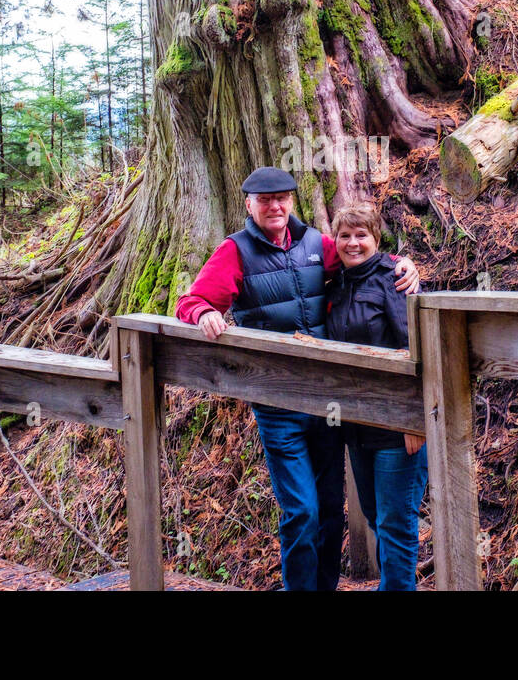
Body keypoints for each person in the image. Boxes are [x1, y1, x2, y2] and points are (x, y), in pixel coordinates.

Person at [174, 166, 419, 590]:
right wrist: (205, 312)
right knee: (301, 511)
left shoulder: (312, 243)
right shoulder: (235, 251)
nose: (275, 206)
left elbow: (361, 256)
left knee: (328, 507)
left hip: (326, 405)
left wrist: (405, 264)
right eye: (265, 200)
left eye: (282, 198)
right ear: (248, 204)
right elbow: (191, 300)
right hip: (277, 403)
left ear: (292, 202)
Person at [325, 199, 429, 590]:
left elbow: (416, 352)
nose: (353, 243)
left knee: (395, 523)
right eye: (345, 236)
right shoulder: (336, 285)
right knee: (374, 516)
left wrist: (415, 418)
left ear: (376, 238)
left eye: (361, 235)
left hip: (397, 428)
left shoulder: (394, 279)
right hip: (357, 425)